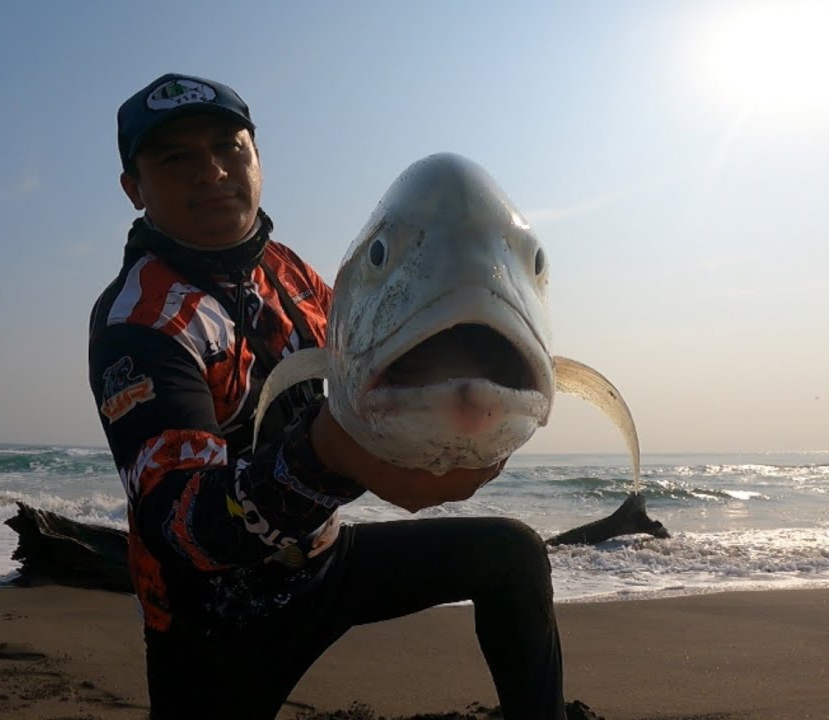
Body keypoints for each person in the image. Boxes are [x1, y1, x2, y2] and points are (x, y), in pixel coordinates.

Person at [88, 73, 582, 720]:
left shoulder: (290, 273)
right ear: (134, 188)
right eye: (176, 157)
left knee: (511, 554)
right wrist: (336, 456)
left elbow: (372, 360)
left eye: (229, 147)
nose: (212, 171)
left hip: (322, 563)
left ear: (257, 158)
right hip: (211, 619)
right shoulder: (140, 323)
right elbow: (182, 527)